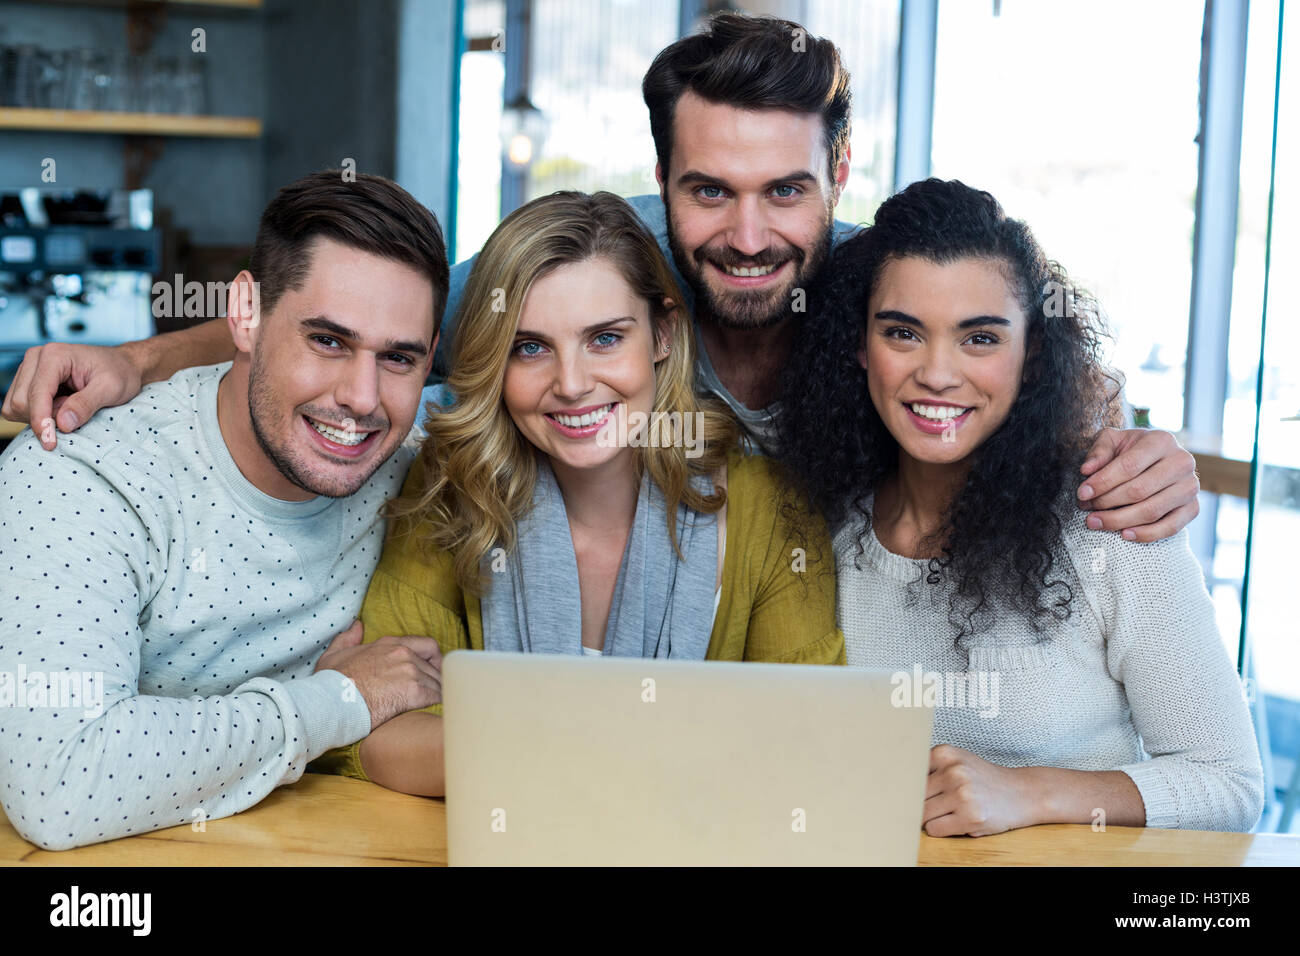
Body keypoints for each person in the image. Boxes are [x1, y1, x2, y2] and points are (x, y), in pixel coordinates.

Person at [2, 13, 1201, 544]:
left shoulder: (881, 280)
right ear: (660, 177)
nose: (746, 233)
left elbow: (1025, 352)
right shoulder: (595, 265)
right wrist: (135, 358)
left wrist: (1132, 437)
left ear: (838, 169)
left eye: (786, 191)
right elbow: (361, 329)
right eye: (707, 191)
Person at [309, 191, 844, 797]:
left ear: (663, 335)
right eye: (530, 347)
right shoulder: (450, 490)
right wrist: (648, 747)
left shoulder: (773, 510)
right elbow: (375, 738)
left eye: (605, 339)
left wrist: (522, 746)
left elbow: (809, 742)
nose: (571, 384)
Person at [776, 178, 1264, 835]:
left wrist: (1030, 795)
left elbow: (1230, 784)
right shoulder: (827, 527)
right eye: (903, 333)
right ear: (861, 348)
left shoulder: (1113, 520)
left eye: (980, 339)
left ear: (1030, 357)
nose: (939, 374)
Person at [0, 171, 452, 850]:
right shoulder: (81, 474)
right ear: (244, 314)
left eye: (398, 358)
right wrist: (337, 702)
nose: (362, 398)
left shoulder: (415, 475)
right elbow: (62, 783)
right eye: (327, 341)